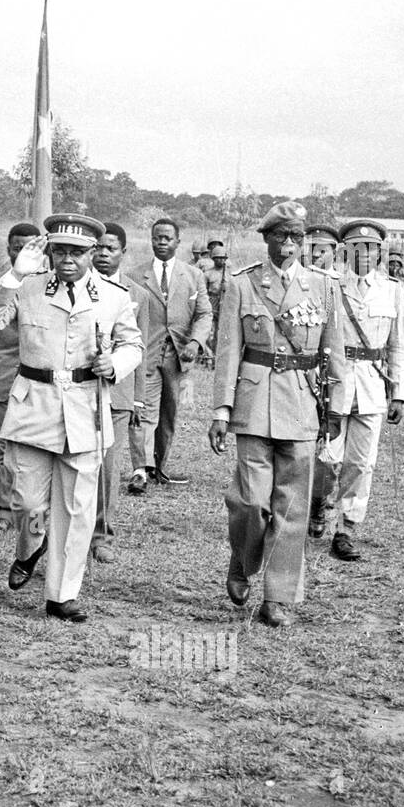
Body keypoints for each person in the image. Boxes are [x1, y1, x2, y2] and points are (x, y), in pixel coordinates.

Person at [0, 214, 143, 622]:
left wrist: (115, 363)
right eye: (60, 251)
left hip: (86, 407)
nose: (69, 260)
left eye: (79, 252)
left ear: (93, 254)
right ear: (49, 252)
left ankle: (62, 594)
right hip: (34, 404)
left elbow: (132, 344)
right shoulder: (27, 287)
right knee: (28, 500)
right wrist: (14, 274)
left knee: (77, 506)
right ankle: (29, 547)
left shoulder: (113, 295)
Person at [208, 201, 346, 628]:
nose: (288, 245)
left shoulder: (323, 286)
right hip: (253, 404)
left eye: (295, 238)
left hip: (303, 404)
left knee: (292, 508)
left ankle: (278, 597)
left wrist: (336, 405)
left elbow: (334, 350)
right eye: (280, 236)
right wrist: (221, 409)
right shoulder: (243, 283)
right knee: (250, 502)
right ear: (266, 239)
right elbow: (228, 352)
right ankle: (242, 560)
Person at [308, 220, 404, 560]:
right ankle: (317, 502)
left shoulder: (393, 289)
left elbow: (399, 346)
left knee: (361, 463)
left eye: (370, 248)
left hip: (372, 385)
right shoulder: (328, 285)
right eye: (355, 248)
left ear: (380, 252)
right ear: (344, 252)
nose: (363, 254)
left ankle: (347, 527)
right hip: (334, 382)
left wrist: (399, 393)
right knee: (327, 458)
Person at [126, 217, 212, 494]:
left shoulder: (193, 275)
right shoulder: (135, 275)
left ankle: (157, 466)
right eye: (156, 238)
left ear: (178, 241)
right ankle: (140, 469)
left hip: (178, 357)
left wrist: (196, 342)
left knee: (168, 413)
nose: (161, 242)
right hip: (146, 355)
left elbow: (204, 314)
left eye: (167, 238)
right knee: (143, 410)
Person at [90, 221, 146, 563]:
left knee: (108, 467)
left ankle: (102, 535)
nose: (102, 254)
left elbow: (142, 349)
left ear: (123, 253)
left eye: (110, 248)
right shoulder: (76, 285)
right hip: (77, 390)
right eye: (97, 248)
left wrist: (138, 398)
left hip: (118, 393)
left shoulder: (136, 293)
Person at [0, 222, 40, 532]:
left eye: (31, 248)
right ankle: (2, 508)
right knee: (1, 446)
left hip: (42, 383)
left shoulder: (52, 285)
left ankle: (33, 512)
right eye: (18, 247)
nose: (23, 253)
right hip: (4, 378)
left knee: (37, 449)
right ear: (9, 250)